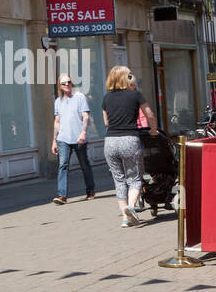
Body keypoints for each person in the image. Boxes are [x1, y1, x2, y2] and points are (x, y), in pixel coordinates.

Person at [101, 66, 157, 228]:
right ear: (126, 78)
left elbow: (106, 122)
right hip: (129, 140)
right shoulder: (135, 94)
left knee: (119, 180)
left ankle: (125, 219)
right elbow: (150, 115)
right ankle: (131, 207)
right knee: (134, 178)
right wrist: (153, 130)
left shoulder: (106, 98)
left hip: (110, 141)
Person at [51, 72, 96, 204]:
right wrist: (54, 140)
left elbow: (86, 116)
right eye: (64, 83)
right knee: (62, 165)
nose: (67, 85)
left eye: (69, 82)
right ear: (60, 86)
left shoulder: (80, 97)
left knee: (84, 164)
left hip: (78, 138)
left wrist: (83, 132)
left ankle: (90, 190)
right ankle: (62, 196)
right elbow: (57, 122)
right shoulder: (58, 101)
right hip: (63, 138)